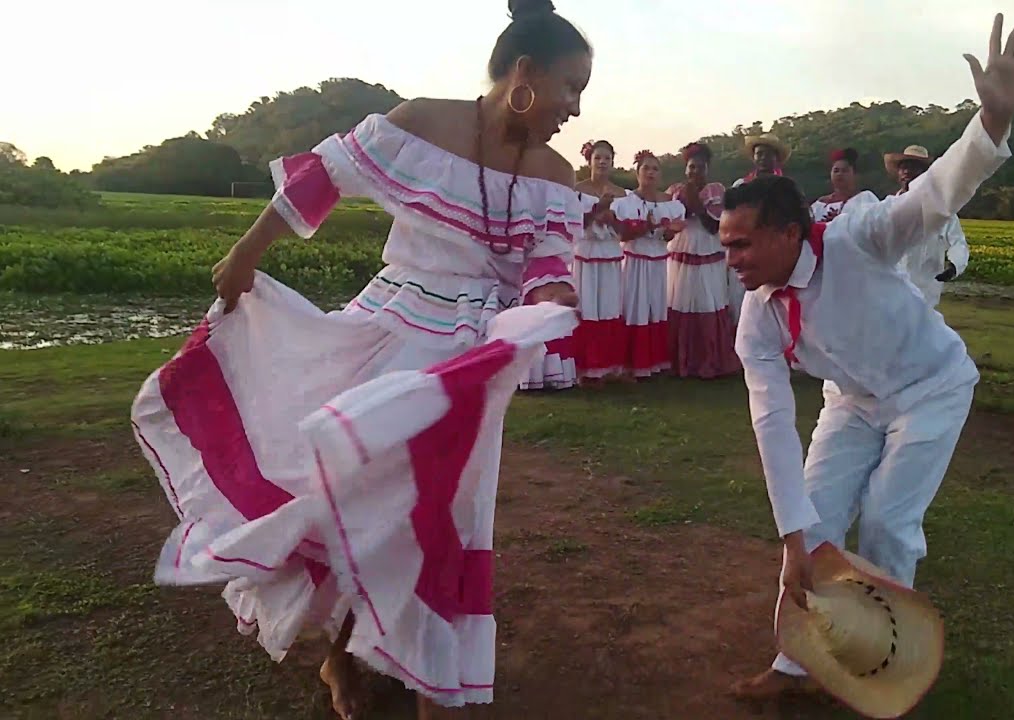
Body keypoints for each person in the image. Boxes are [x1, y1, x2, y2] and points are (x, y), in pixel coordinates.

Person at [130, 1, 591, 718]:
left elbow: (546, 265)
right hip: (386, 332)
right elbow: (319, 181)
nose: (577, 109)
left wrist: (549, 301)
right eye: (572, 87)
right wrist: (245, 254)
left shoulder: (556, 174)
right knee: (345, 503)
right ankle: (340, 660)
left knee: (442, 519)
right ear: (524, 74)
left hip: (465, 367)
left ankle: (429, 679)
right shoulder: (422, 121)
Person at [721, 11, 1014, 701]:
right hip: (855, 402)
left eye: (742, 246)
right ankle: (796, 667)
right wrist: (790, 537)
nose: (732, 261)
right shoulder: (758, 313)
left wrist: (989, 126)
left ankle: (893, 675)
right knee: (816, 519)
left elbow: (933, 198)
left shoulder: (858, 234)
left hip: (932, 387)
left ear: (787, 233)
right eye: (725, 247)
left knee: (890, 521)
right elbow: (771, 420)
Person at [665, 142, 741, 378]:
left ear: (707, 169)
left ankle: (709, 360)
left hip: (707, 248)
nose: (694, 172)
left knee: (708, 300)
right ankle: (682, 360)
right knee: (681, 298)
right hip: (682, 247)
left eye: (699, 167)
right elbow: (670, 220)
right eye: (691, 167)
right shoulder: (675, 190)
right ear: (685, 169)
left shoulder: (716, 191)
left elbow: (712, 226)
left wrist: (696, 204)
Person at [615, 150, 685, 379]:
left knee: (656, 306)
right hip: (635, 260)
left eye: (655, 169)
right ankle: (632, 362)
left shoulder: (670, 203)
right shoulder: (626, 202)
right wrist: (643, 227)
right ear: (637, 173)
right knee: (636, 307)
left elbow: (670, 235)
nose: (651, 173)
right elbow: (622, 234)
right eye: (646, 168)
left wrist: (668, 233)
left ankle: (654, 360)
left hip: (658, 261)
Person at [568, 139, 629, 387]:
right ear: (589, 161)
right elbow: (573, 226)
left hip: (610, 253)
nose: (603, 162)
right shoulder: (576, 190)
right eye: (598, 157)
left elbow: (625, 232)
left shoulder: (623, 193)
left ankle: (610, 366)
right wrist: (597, 210)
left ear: (613, 162)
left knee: (610, 307)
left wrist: (612, 218)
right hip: (586, 252)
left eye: (607, 158)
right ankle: (586, 368)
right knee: (588, 307)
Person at [885, 144, 971, 308]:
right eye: (903, 167)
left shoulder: (942, 210)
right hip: (890, 292)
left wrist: (954, 266)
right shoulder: (887, 207)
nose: (906, 172)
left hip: (925, 294)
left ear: (926, 174)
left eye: (913, 167)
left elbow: (958, 243)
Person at [728, 134, 789, 322]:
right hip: (745, 248)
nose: (762, 158)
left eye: (767, 154)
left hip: (774, 249)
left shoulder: (786, 188)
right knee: (742, 298)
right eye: (758, 154)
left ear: (776, 159)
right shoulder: (741, 185)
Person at [810, 147, 878, 222]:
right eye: (836, 171)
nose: (839, 174)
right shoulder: (819, 205)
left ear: (855, 174)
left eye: (845, 171)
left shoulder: (865, 198)